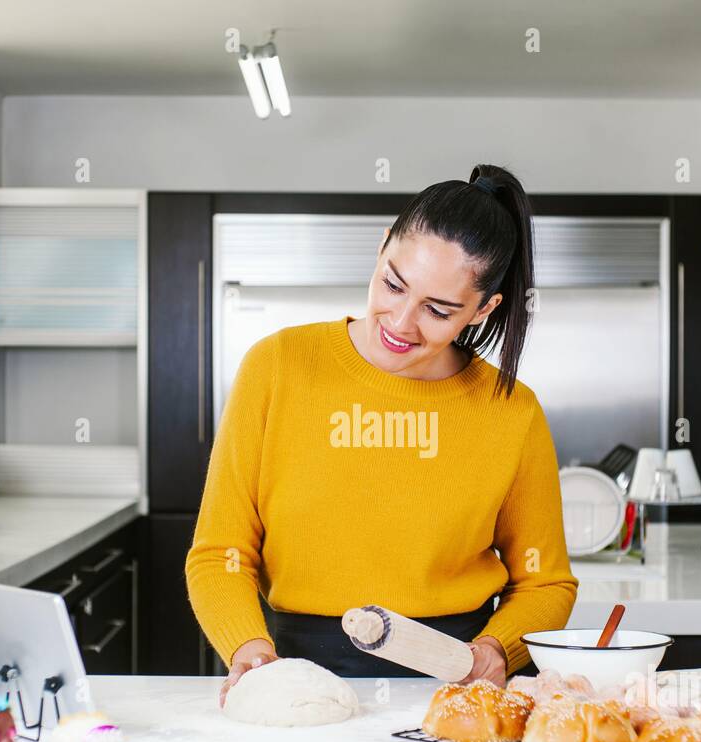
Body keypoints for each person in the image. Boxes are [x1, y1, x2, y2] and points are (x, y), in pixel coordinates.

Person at [184, 164, 578, 704]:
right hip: (292, 673)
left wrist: (496, 650)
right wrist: (249, 651)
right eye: (393, 284)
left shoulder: (512, 410)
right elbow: (220, 553)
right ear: (381, 248)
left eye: (438, 310)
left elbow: (545, 582)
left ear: (484, 309)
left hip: (451, 686)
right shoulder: (276, 367)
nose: (400, 322)